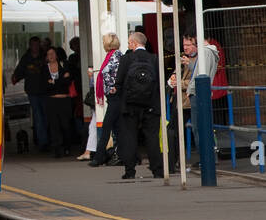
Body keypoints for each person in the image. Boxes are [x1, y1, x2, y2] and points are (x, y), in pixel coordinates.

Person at [167, 32, 220, 175]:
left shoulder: (202, 56)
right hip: (185, 99)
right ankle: (178, 161)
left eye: (188, 45)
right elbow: (178, 74)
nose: (185, 48)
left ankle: (206, 159)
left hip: (191, 98)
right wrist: (172, 79)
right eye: (184, 45)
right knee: (187, 129)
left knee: (198, 129)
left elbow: (198, 77)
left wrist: (181, 83)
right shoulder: (187, 59)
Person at [113, 31, 163, 180]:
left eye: (129, 43)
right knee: (152, 136)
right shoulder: (154, 58)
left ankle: (130, 171)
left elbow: (119, 82)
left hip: (130, 105)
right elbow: (160, 81)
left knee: (129, 136)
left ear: (134, 43)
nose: (128, 45)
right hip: (151, 104)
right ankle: (158, 170)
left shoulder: (126, 59)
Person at [89, 32, 123, 167]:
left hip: (115, 97)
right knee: (118, 128)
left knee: (106, 126)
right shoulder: (111, 56)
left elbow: (117, 74)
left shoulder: (116, 56)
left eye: (104, 42)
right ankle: (127, 155)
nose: (103, 44)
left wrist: (115, 87)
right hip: (112, 96)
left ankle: (98, 157)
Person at [11, 37, 49, 153]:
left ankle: (47, 140)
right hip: (32, 91)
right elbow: (20, 71)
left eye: (37, 45)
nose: (35, 47)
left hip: (46, 91)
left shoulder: (44, 57)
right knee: (38, 117)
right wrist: (15, 77)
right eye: (33, 45)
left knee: (46, 117)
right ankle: (43, 142)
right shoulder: (26, 58)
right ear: (30, 45)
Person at [41, 46, 74, 158]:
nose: (51, 56)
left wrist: (53, 82)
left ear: (56, 55)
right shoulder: (44, 68)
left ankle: (67, 147)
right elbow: (45, 85)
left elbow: (68, 81)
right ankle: (57, 149)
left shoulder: (64, 65)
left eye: (53, 53)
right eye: (48, 54)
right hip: (51, 101)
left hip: (64, 100)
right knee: (54, 126)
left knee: (66, 125)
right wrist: (60, 81)